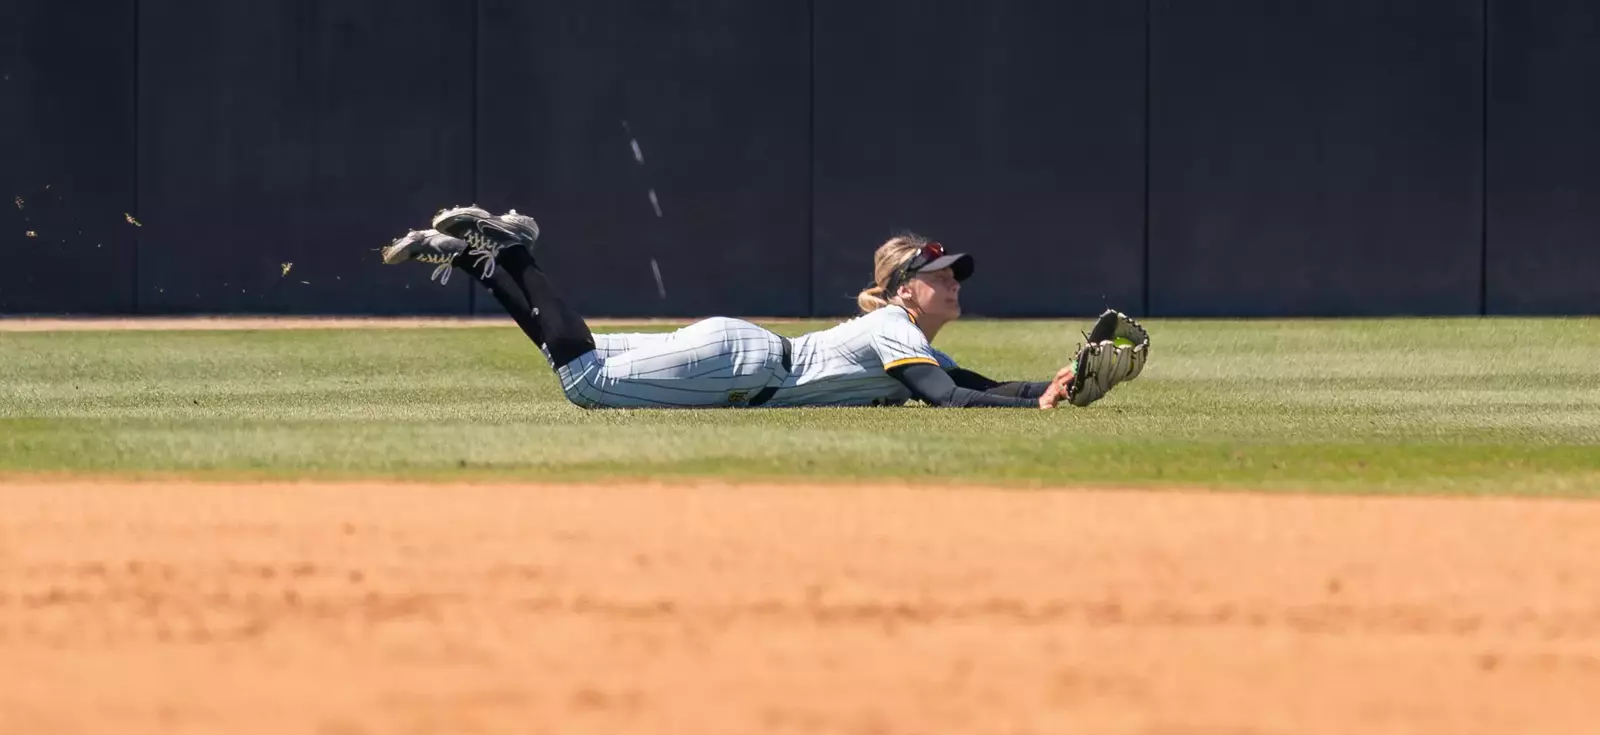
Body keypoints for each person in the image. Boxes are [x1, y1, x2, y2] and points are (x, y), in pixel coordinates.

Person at [380, 205, 1144, 409]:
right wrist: (1033, 410)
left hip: (740, 355)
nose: (954, 284)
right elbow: (945, 397)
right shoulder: (892, 329)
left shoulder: (910, 341)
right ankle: (513, 253)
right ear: (904, 288)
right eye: (939, 275)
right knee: (585, 380)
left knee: (580, 351)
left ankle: (478, 262)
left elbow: (974, 382)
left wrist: (1053, 386)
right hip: (741, 368)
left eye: (955, 276)